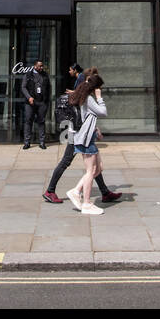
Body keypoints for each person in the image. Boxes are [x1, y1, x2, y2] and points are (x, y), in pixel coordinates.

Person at [43, 64, 121, 204]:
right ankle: (50, 190)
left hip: (79, 130)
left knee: (93, 165)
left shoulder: (82, 85)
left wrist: (95, 128)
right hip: (78, 133)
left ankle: (104, 192)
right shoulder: (84, 87)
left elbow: (84, 114)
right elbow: (85, 112)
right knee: (69, 161)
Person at [66, 69, 107, 215]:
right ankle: (87, 204)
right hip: (85, 139)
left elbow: (88, 117)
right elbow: (103, 112)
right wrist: (99, 97)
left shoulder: (85, 97)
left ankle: (76, 191)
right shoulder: (89, 99)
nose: (100, 90)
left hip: (87, 136)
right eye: (99, 88)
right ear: (95, 88)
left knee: (98, 168)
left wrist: (96, 129)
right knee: (91, 171)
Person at [22, 60, 49, 149]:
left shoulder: (45, 75)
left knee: (41, 121)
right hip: (30, 102)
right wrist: (29, 97)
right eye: (40, 66)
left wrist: (46, 100)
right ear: (35, 66)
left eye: (42, 66)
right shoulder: (28, 75)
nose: (41, 67)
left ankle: (42, 142)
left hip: (42, 102)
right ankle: (27, 142)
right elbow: (23, 87)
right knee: (28, 121)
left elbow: (49, 87)